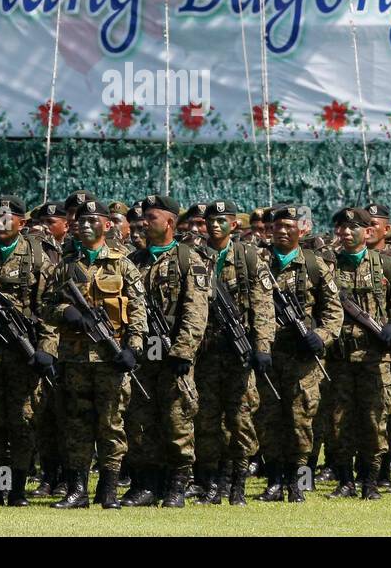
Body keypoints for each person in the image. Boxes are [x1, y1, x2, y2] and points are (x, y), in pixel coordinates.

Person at [41, 202, 146, 509]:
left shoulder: (122, 264)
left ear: (107, 225)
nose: (84, 225)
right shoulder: (64, 266)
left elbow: (138, 310)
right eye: (80, 221)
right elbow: (46, 307)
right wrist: (67, 312)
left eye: (92, 220)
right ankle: (77, 490)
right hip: (74, 359)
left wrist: (133, 348)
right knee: (77, 424)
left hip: (110, 359)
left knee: (111, 425)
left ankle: (109, 489)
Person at [0, 196, 58, 506]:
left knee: (23, 422)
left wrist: (45, 349)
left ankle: (17, 487)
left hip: (25, 355)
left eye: (7, 217)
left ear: (22, 222)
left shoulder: (36, 258)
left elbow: (49, 308)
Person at [125, 194, 210, 508]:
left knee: (178, 419)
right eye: (143, 218)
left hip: (173, 353)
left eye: (152, 218)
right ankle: (145, 485)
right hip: (142, 353)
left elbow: (196, 310)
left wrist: (183, 350)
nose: (144, 223)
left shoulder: (189, 259)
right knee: (140, 419)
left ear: (170, 222)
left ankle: (177, 486)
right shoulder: (133, 261)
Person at [255, 204, 342, 503]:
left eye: (288, 227)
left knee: (302, 420)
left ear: (300, 230)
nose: (282, 231)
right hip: (268, 355)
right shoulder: (258, 262)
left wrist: (321, 336)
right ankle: (274, 480)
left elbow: (333, 311)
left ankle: (298, 480)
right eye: (277, 226)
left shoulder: (315, 265)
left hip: (302, 357)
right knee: (269, 419)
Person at [327, 207, 391, 499]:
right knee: (340, 422)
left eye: (353, 227)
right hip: (339, 358)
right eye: (342, 227)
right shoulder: (328, 266)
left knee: (375, 421)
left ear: (368, 232)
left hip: (375, 358)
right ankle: (344, 481)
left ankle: (370, 481)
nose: (346, 232)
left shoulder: (386, 266)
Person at [193, 199, 272, 505]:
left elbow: (263, 305)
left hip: (241, 351)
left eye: (222, 220)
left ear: (235, 224)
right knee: (207, 419)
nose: (214, 225)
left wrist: (262, 347)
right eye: (210, 220)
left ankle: (237, 482)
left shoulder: (249, 256)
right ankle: (212, 484)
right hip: (208, 351)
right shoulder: (196, 257)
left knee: (241, 419)